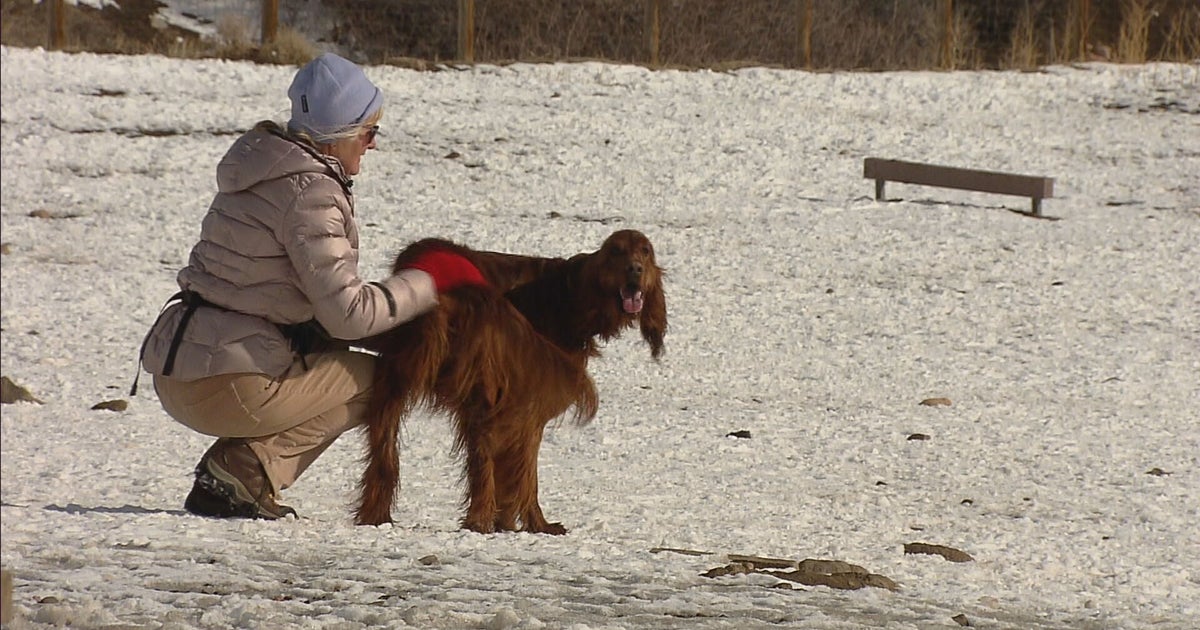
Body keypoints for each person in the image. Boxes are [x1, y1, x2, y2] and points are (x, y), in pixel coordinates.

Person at [137, 52, 487, 520]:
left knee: (332, 358)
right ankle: (246, 468)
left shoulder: (263, 169)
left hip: (179, 368)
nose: (372, 144)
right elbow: (348, 315)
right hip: (226, 380)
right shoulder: (311, 192)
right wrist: (430, 281)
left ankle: (237, 470)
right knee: (377, 382)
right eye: (368, 132)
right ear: (340, 133)